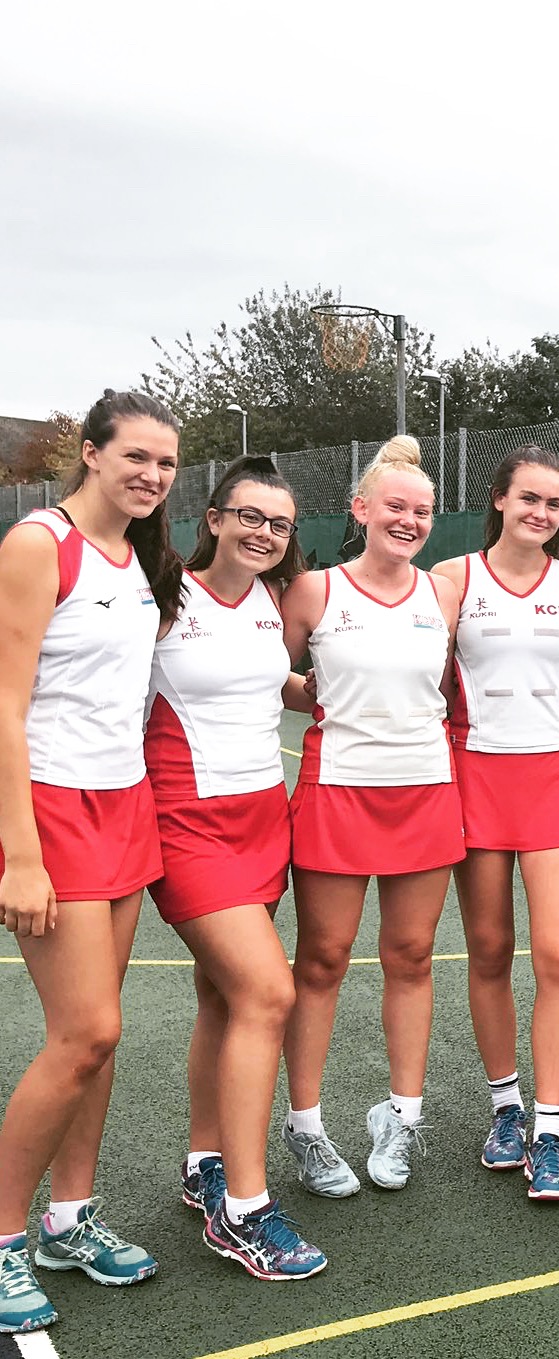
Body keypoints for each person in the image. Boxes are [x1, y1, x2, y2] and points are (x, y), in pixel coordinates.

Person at [0, 390, 180, 1332]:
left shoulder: (136, 553)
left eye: (165, 463)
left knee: (100, 1036)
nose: (151, 475)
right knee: (84, 1033)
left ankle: (70, 1220)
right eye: (136, 457)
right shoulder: (40, 544)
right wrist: (20, 856)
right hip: (56, 812)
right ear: (91, 453)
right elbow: (4, 700)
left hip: (125, 805)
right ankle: (0, 1240)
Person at [153, 458, 326, 1278]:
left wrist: (335, 688)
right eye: (248, 516)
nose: (263, 532)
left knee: (222, 996)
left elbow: (277, 686)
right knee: (268, 992)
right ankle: (243, 1213)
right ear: (214, 518)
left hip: (263, 821)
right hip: (185, 823)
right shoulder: (163, 598)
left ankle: (204, 1162)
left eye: (279, 523)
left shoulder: (270, 603)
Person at [278, 437, 464, 1196]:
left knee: (412, 955)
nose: (409, 521)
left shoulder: (444, 594)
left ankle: (402, 1115)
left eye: (421, 511)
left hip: (424, 789)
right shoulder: (315, 591)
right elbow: (275, 678)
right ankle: (306, 1126)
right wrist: (316, 694)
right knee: (322, 959)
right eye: (395, 507)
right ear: (360, 510)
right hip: (337, 790)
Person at [434, 448, 559, 1202]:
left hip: (555, 779)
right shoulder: (454, 579)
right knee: (491, 949)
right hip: (478, 777)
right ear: (499, 499)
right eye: (529, 497)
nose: (542, 513)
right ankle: (506, 1109)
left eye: (555, 504)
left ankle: (551, 1133)